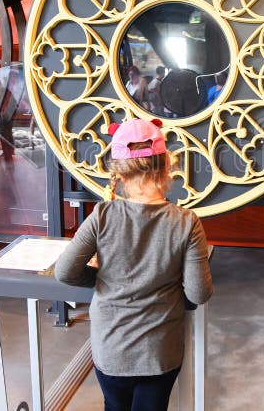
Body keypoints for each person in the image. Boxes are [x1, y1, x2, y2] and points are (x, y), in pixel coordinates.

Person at [54, 118, 213, 411]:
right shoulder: (186, 222)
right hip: (159, 352)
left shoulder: (102, 216)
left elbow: (64, 272)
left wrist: (103, 278)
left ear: (118, 172)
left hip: (110, 349)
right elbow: (198, 293)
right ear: (166, 166)